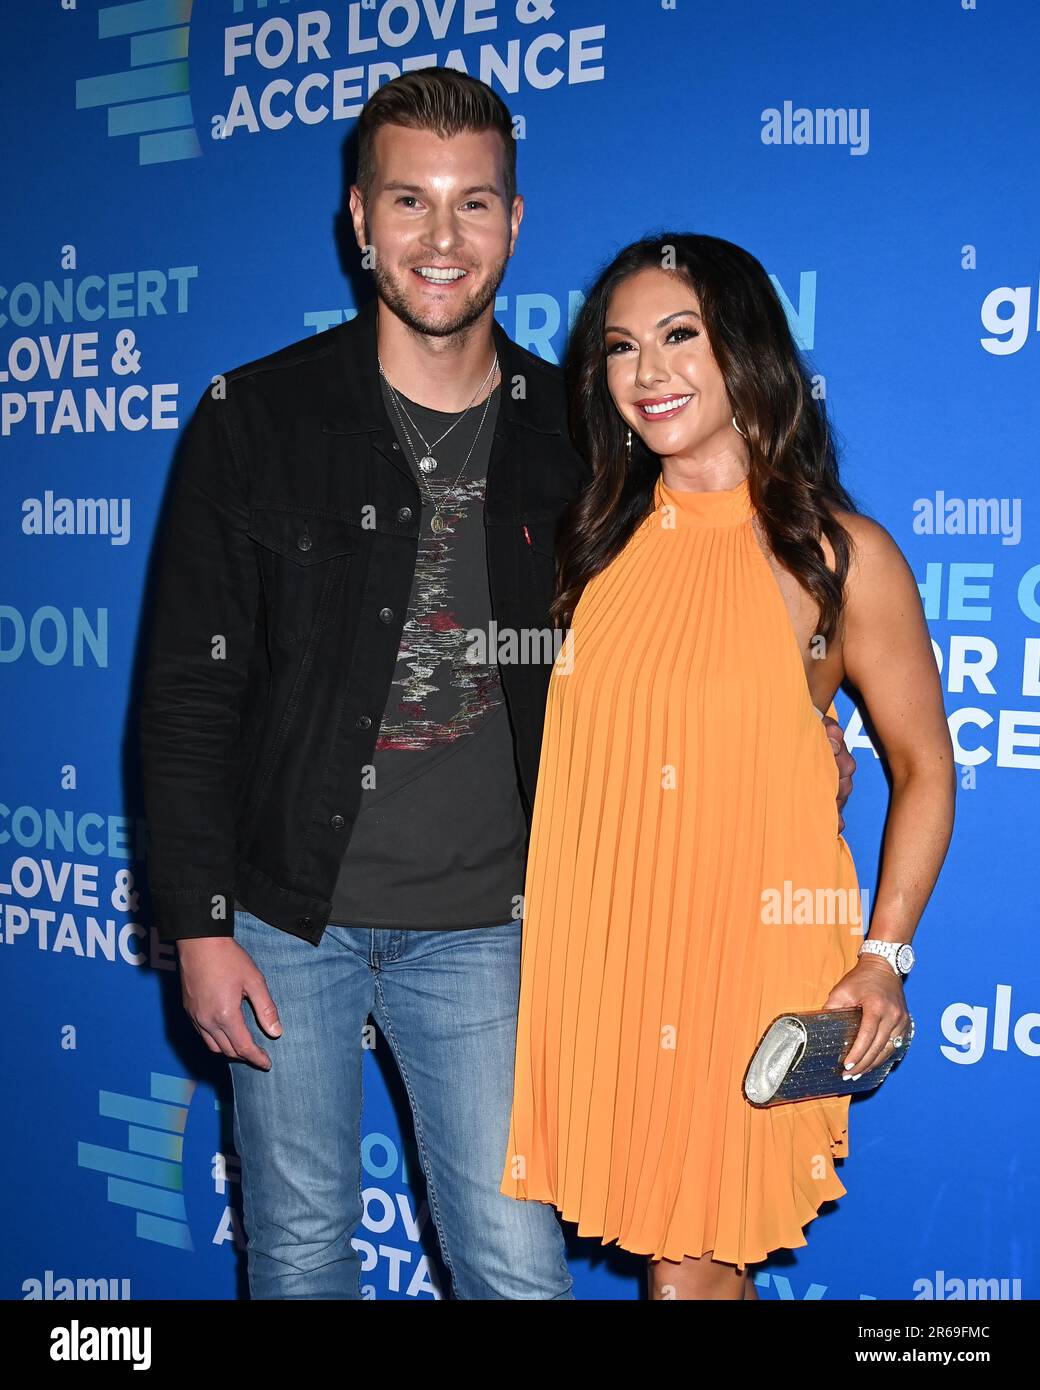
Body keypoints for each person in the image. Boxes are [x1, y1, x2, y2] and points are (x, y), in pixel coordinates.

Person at [137, 68, 854, 1301]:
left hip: (491, 929)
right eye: (408, 202)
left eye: (474, 204)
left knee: (516, 1271)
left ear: (515, 224)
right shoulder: (253, 418)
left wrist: (796, 723)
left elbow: (706, 602)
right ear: (358, 222)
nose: (439, 238)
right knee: (300, 1256)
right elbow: (188, 693)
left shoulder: (582, 438)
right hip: (281, 914)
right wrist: (197, 923)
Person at [499, 233, 955, 1300]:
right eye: (619, 347)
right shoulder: (589, 545)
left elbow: (924, 767)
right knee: (687, 1263)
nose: (646, 371)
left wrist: (883, 956)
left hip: (743, 961)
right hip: (607, 960)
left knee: (684, 1267)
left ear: (745, 348)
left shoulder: (837, 556)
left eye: (677, 336)